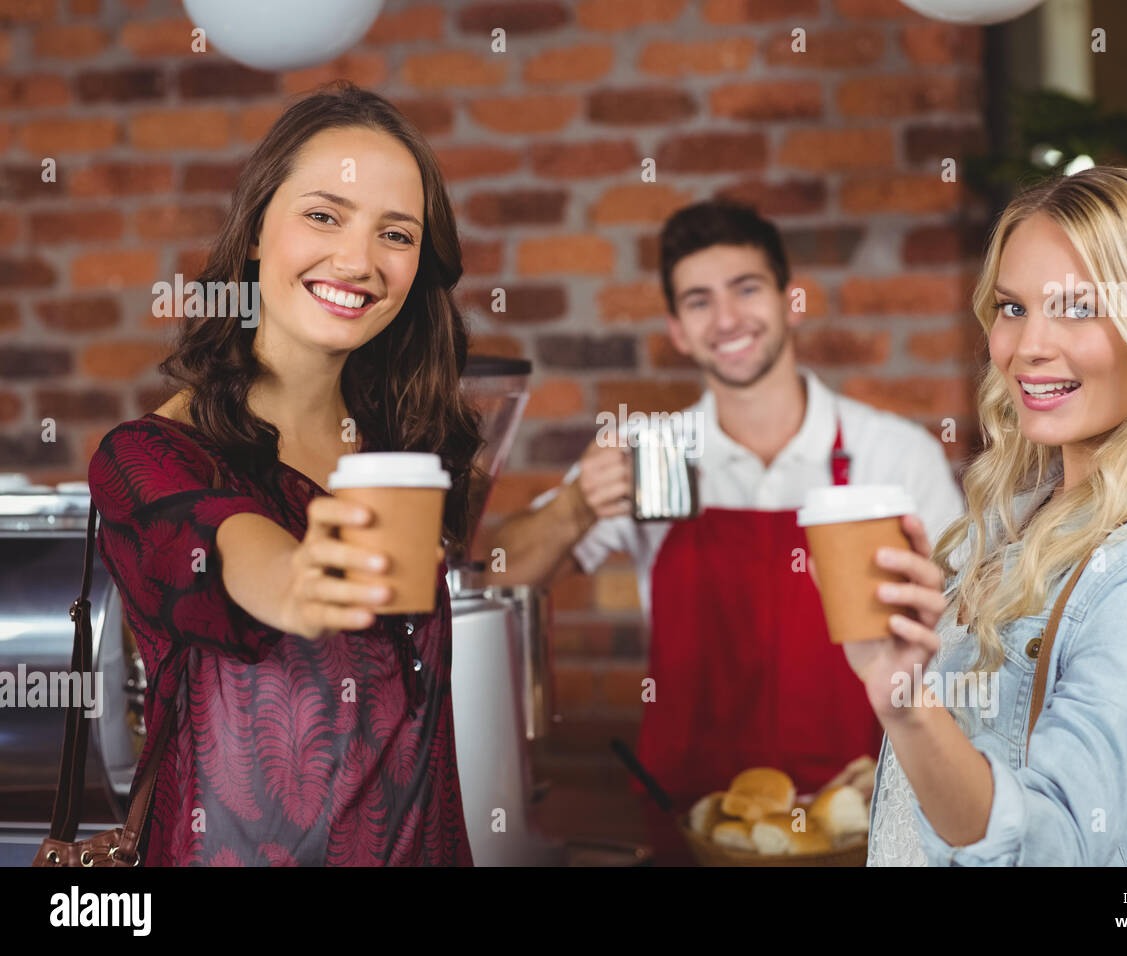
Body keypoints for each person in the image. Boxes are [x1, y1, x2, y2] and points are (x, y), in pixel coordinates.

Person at [853, 165, 1127, 865]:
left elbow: (1049, 844)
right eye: (1013, 306)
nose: (1028, 346)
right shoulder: (1013, 518)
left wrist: (908, 705)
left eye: (1078, 307)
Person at [87, 83, 482, 866]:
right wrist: (301, 577)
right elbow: (235, 552)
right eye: (324, 215)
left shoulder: (404, 448)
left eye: (396, 234)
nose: (358, 260)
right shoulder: (146, 458)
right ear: (258, 228)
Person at [491, 200, 965, 813]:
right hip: (690, 819)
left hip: (858, 813)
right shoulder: (647, 455)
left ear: (789, 300)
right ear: (678, 331)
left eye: (746, 289)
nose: (726, 318)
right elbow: (498, 578)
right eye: (699, 301)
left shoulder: (898, 456)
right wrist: (576, 509)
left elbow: (968, 631)